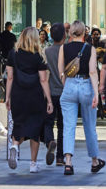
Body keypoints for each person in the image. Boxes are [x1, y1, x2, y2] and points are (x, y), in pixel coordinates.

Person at [57, 21, 105, 175]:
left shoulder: (63, 48)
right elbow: (92, 72)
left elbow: (61, 72)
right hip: (86, 85)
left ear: (70, 32)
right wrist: (96, 94)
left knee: (69, 126)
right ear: (85, 33)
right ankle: (94, 161)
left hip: (70, 85)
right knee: (90, 126)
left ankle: (68, 162)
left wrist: (67, 84)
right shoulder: (90, 49)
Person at [7, 26, 55, 172]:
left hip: (17, 95)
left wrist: (7, 97)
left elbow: (10, 77)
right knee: (35, 128)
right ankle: (33, 164)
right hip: (35, 96)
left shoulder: (13, 54)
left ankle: (15, 146)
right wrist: (49, 100)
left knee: (19, 124)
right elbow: (43, 80)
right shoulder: (38, 56)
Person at [43, 23, 66, 166]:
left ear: (51, 35)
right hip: (65, 92)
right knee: (63, 126)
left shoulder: (46, 51)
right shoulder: (67, 51)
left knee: (48, 122)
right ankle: (60, 158)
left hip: (50, 93)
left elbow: (44, 74)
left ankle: (50, 141)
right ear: (64, 35)